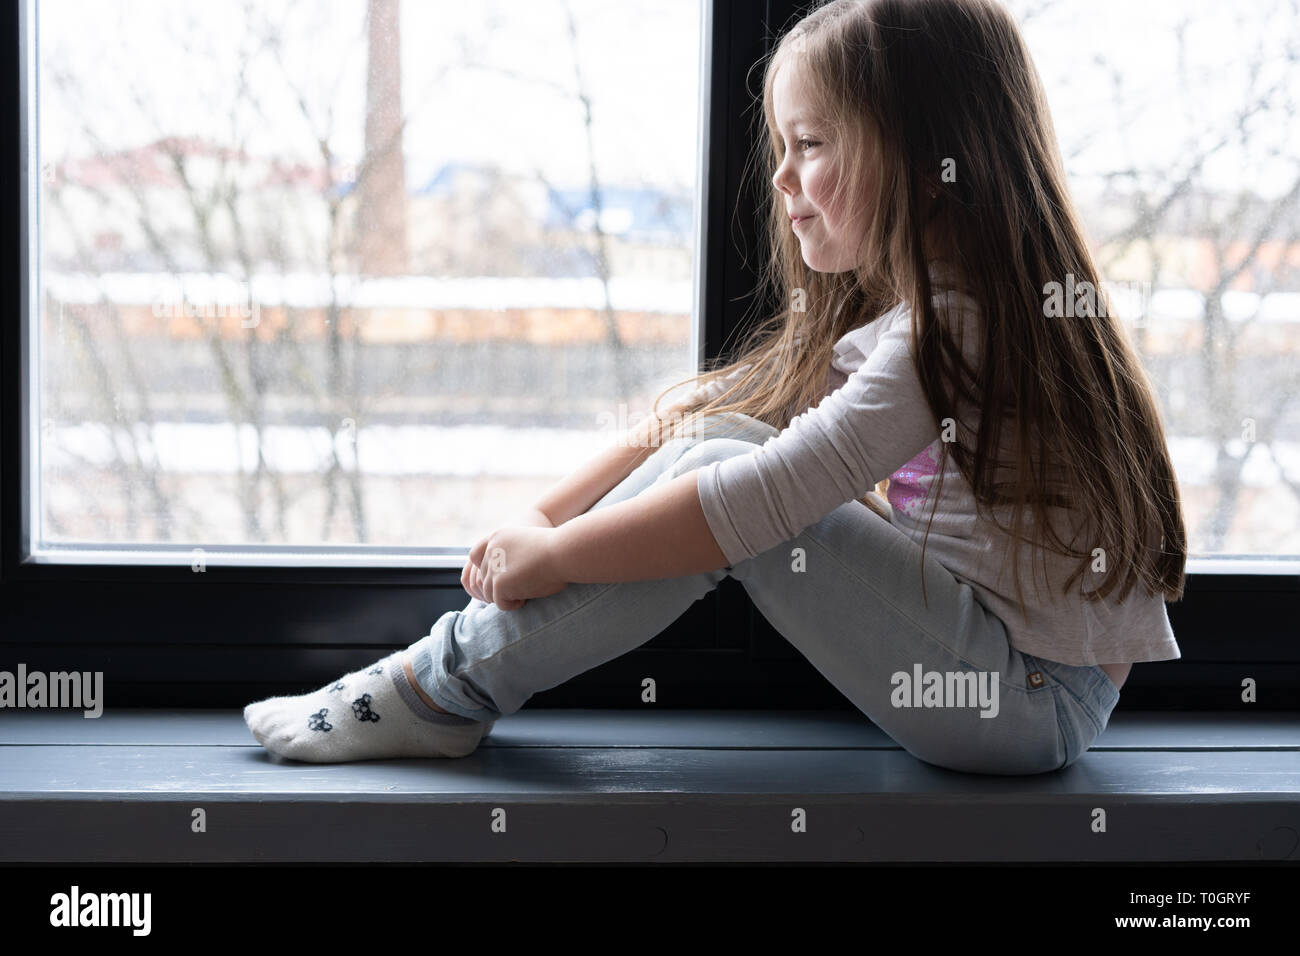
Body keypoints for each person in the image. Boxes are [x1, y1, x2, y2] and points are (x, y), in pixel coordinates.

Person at [245, 0, 1186, 774]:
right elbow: (703, 420)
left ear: (928, 158)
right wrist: (538, 519)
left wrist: (561, 555)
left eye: (810, 142)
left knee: (757, 501)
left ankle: (438, 689)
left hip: (1025, 705)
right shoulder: (945, 310)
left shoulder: (956, 331)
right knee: (729, 436)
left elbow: (759, 498)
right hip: (1012, 686)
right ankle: (442, 679)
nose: (781, 176)